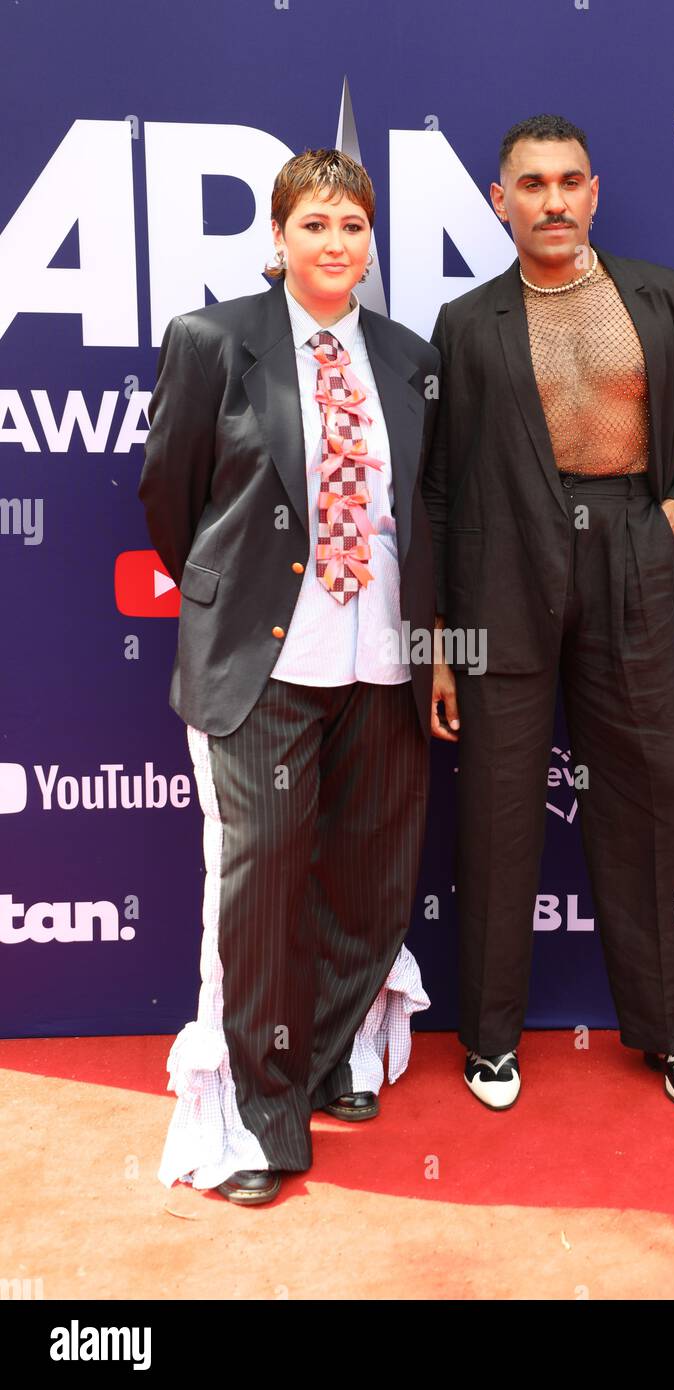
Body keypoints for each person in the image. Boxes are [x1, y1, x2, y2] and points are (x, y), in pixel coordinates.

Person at [423, 114, 674, 1119]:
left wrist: (665, 517)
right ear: (499, 201)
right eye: (531, 184)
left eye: (568, 182)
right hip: (501, 569)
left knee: (656, 801)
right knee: (497, 814)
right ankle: (486, 1041)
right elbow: (436, 487)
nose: (552, 201)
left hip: (629, 553)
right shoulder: (465, 324)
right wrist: (439, 641)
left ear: (594, 193)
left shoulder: (661, 296)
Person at [139, 148, 440, 1204]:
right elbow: (171, 502)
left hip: (384, 655)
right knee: (262, 887)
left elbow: (430, 515)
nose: (335, 244)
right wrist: (236, 595)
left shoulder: (407, 357)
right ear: (277, 239)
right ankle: (259, 1122)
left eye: (353, 226)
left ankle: (319, 1058)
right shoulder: (215, 342)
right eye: (315, 225)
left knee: (368, 877)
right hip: (265, 660)